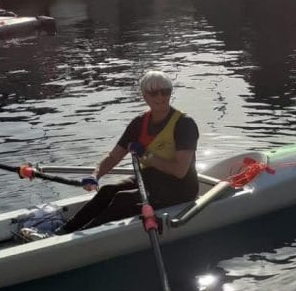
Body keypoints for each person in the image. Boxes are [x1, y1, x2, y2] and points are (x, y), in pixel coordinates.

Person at [59, 70, 199, 234]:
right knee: (108, 190)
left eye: (165, 91)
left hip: (181, 188)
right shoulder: (138, 123)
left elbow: (180, 171)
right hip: (152, 180)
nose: (160, 97)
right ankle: (64, 231)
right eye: (154, 92)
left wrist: (147, 156)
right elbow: (113, 157)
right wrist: (95, 176)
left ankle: (84, 235)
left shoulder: (185, 124)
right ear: (144, 95)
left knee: (123, 198)